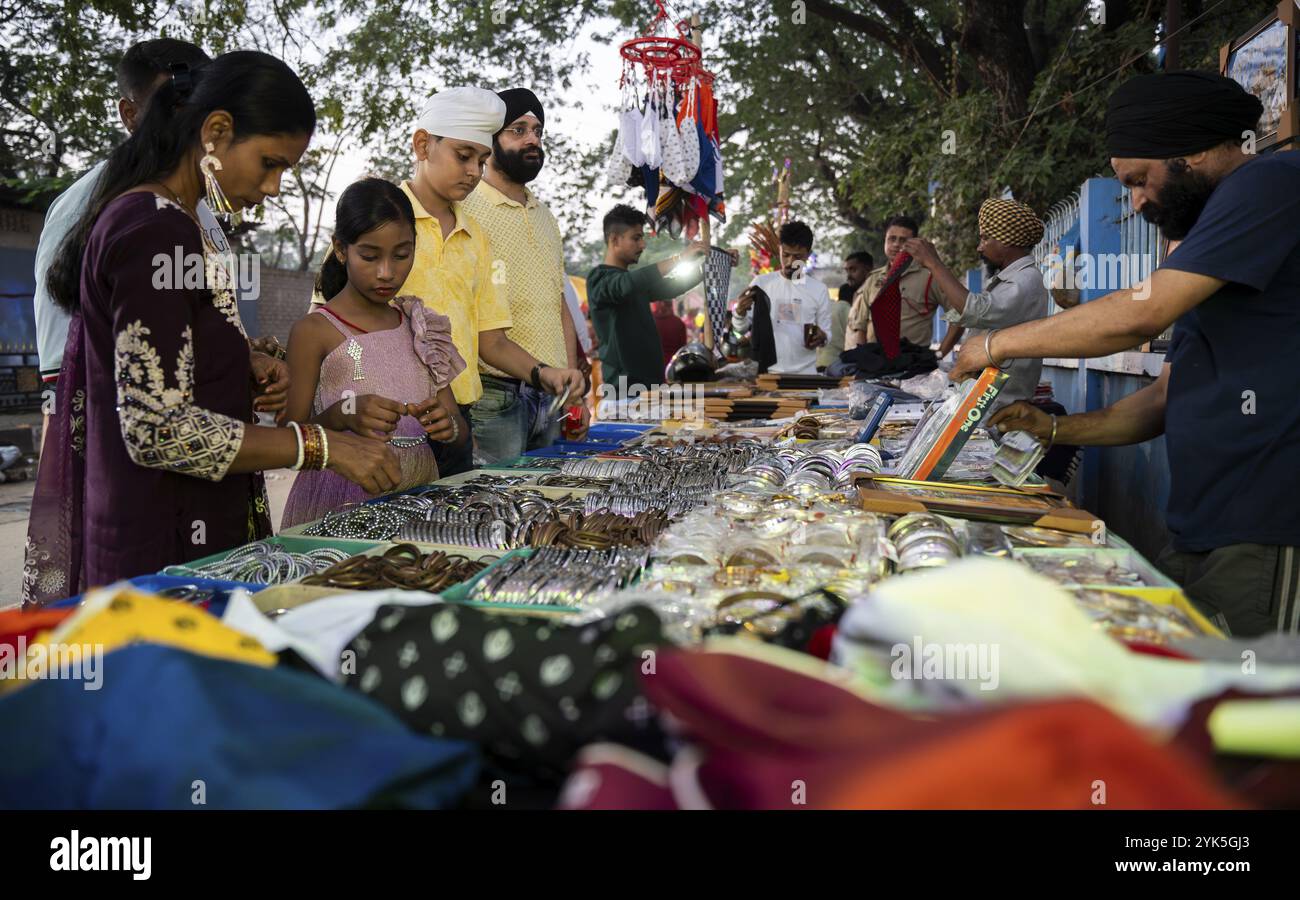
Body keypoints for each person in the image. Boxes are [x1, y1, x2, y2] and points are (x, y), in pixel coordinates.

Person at [22, 51, 400, 606]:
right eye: (270, 163)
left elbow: (170, 359)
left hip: (182, 521)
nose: (273, 187)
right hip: (166, 540)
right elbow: (158, 430)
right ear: (217, 132)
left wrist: (238, 362)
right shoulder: (156, 229)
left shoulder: (170, 222)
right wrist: (321, 446)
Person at [952, 71, 1300, 637]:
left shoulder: (1271, 182)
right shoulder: (1213, 242)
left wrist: (992, 343)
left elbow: (1140, 312)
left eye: (1139, 180)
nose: (1137, 202)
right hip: (1201, 526)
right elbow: (1163, 397)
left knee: (1238, 709)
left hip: (1269, 525)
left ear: (1191, 151)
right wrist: (1056, 431)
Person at [396, 86, 583, 474]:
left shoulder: (493, 231)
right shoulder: (399, 215)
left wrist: (553, 372)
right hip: (412, 414)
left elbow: (503, 331)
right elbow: (336, 320)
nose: (472, 171)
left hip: (479, 412)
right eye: (463, 156)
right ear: (422, 146)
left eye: (479, 160)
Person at [280, 178, 467, 528]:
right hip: (339, 500)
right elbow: (289, 437)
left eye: (402, 255)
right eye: (369, 256)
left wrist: (448, 427)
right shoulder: (315, 331)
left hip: (418, 499)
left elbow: (456, 424)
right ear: (340, 249)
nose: (387, 272)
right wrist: (343, 414)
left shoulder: (421, 326)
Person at [462, 88, 589, 462]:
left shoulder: (545, 216)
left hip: (551, 395)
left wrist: (572, 389)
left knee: (546, 507)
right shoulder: (466, 209)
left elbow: (559, 305)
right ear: (490, 140)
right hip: (494, 396)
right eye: (518, 129)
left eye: (537, 131)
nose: (532, 138)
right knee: (495, 509)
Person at [902, 198, 1048, 408]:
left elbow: (975, 310)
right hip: (984, 399)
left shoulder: (1026, 280)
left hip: (999, 404)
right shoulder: (1009, 279)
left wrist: (934, 263)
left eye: (985, 239)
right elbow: (971, 313)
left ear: (1006, 240)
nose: (980, 247)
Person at [587, 204, 736, 394]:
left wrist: (716, 264)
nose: (643, 245)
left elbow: (674, 286)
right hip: (622, 393)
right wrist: (680, 259)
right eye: (636, 238)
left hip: (652, 389)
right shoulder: (599, 279)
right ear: (615, 240)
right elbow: (627, 284)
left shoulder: (635, 283)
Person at [846, 215, 958, 355]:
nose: (895, 245)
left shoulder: (930, 277)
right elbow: (860, 325)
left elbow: (958, 317)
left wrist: (940, 354)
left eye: (903, 240)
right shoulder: (873, 280)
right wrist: (863, 358)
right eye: (891, 239)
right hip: (877, 363)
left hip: (914, 365)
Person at [730, 221, 832, 375]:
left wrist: (822, 337)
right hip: (767, 375)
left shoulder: (819, 290)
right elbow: (740, 330)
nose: (790, 262)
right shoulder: (761, 284)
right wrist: (739, 313)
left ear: (808, 255)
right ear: (779, 250)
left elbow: (827, 334)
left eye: (797, 256)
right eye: (786, 254)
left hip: (806, 376)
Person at [818, 250, 872, 369]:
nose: (848, 276)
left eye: (853, 270)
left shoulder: (874, 295)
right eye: (847, 271)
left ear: (867, 270)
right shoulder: (855, 299)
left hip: (865, 363)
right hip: (845, 365)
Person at [653, 300, 687, 367]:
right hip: (674, 365)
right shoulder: (678, 323)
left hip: (654, 364)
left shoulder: (650, 321)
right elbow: (682, 348)